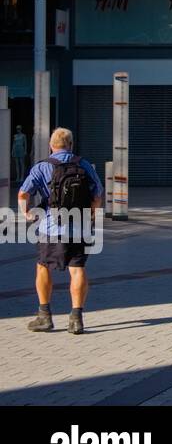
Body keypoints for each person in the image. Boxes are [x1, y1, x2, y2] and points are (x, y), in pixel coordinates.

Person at [18, 127, 104, 335]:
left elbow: (23, 194)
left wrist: (27, 214)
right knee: (77, 269)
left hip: (51, 227)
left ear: (51, 145)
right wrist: (91, 216)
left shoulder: (42, 167)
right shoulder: (83, 165)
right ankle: (76, 318)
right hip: (79, 226)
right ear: (71, 145)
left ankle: (44, 316)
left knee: (43, 267)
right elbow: (98, 195)